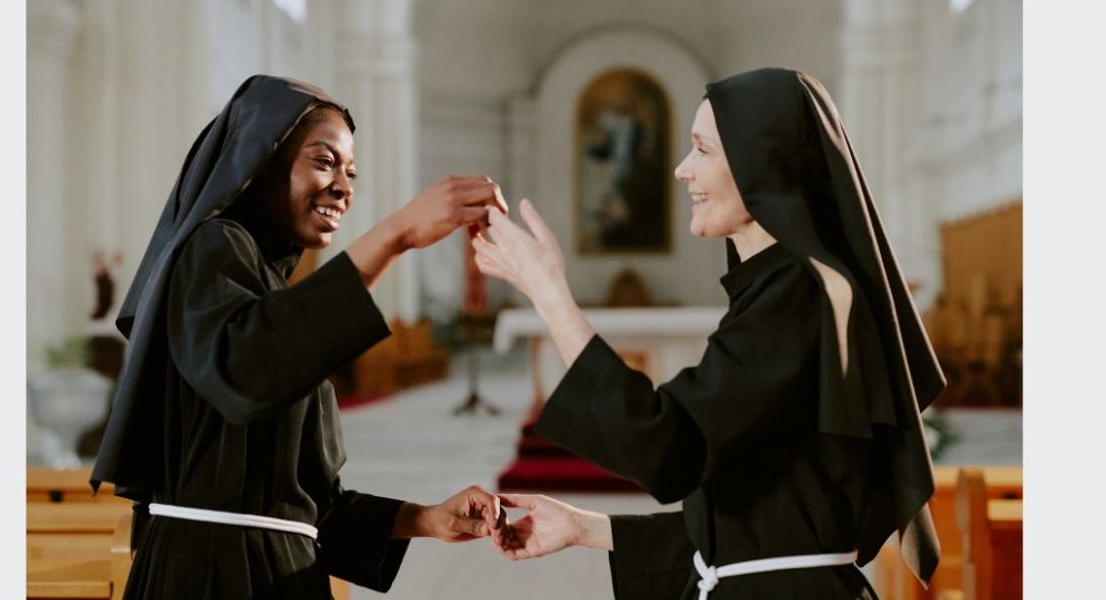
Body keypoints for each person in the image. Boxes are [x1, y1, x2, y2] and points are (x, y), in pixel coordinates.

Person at [474, 68, 944, 599]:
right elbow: (767, 525)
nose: (680, 170)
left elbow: (665, 445)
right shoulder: (783, 288)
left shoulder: (800, 295)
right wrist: (587, 529)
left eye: (702, 150)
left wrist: (548, 292)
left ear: (760, 163)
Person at [90, 75, 507, 599]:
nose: (344, 186)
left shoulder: (269, 296)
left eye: (351, 171)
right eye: (324, 160)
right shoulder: (211, 247)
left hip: (279, 572)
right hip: (209, 578)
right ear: (260, 160)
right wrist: (396, 234)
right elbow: (247, 371)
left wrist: (426, 518)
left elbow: (303, 504)